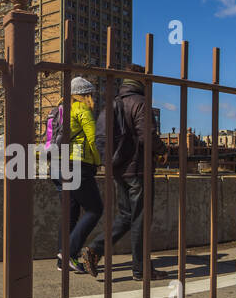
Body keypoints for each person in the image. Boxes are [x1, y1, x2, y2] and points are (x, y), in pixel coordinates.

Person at [93, 72, 160, 278]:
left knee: (126, 215)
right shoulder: (140, 103)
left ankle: (95, 249)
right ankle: (140, 269)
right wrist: (163, 149)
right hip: (137, 169)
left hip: (117, 168)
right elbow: (146, 137)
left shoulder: (112, 104)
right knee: (140, 218)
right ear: (141, 82)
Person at [52, 74, 103, 274]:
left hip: (57, 165)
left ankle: (62, 259)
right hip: (77, 164)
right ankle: (68, 252)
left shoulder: (58, 111)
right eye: (91, 94)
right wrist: (100, 161)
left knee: (69, 213)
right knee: (95, 209)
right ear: (84, 95)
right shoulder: (81, 109)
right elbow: (94, 139)